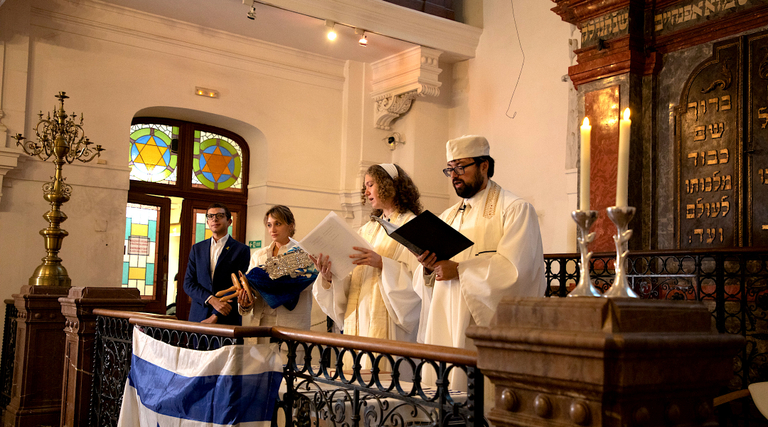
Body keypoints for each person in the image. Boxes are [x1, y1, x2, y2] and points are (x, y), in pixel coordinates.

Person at [413, 135, 546, 387]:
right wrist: (428, 268)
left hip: (480, 324)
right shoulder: (447, 217)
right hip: (445, 318)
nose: (454, 175)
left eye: (461, 167)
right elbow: (430, 279)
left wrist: (461, 271)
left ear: (484, 165)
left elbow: (518, 272)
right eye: (450, 169)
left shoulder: (515, 209)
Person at [311, 164, 423, 344]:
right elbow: (351, 275)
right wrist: (330, 277)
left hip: (389, 320)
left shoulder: (413, 226)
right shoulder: (368, 229)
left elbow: (421, 281)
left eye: (370, 185)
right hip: (360, 314)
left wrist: (382, 264)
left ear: (389, 184)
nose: (366, 192)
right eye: (365, 186)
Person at [237, 205, 313, 343]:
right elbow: (251, 289)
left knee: (288, 364)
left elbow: (309, 286)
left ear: (291, 226)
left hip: (291, 326)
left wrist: (275, 283)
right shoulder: (259, 255)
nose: (272, 229)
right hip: (261, 325)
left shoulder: (305, 254)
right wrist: (245, 303)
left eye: (278, 224)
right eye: (269, 225)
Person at [183, 203, 250, 325]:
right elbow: (188, 284)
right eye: (210, 216)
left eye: (220, 215)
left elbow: (239, 285)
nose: (215, 219)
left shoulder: (241, 250)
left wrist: (216, 315)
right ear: (208, 222)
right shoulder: (197, 249)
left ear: (229, 221)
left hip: (226, 317)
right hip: (198, 316)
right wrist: (211, 300)